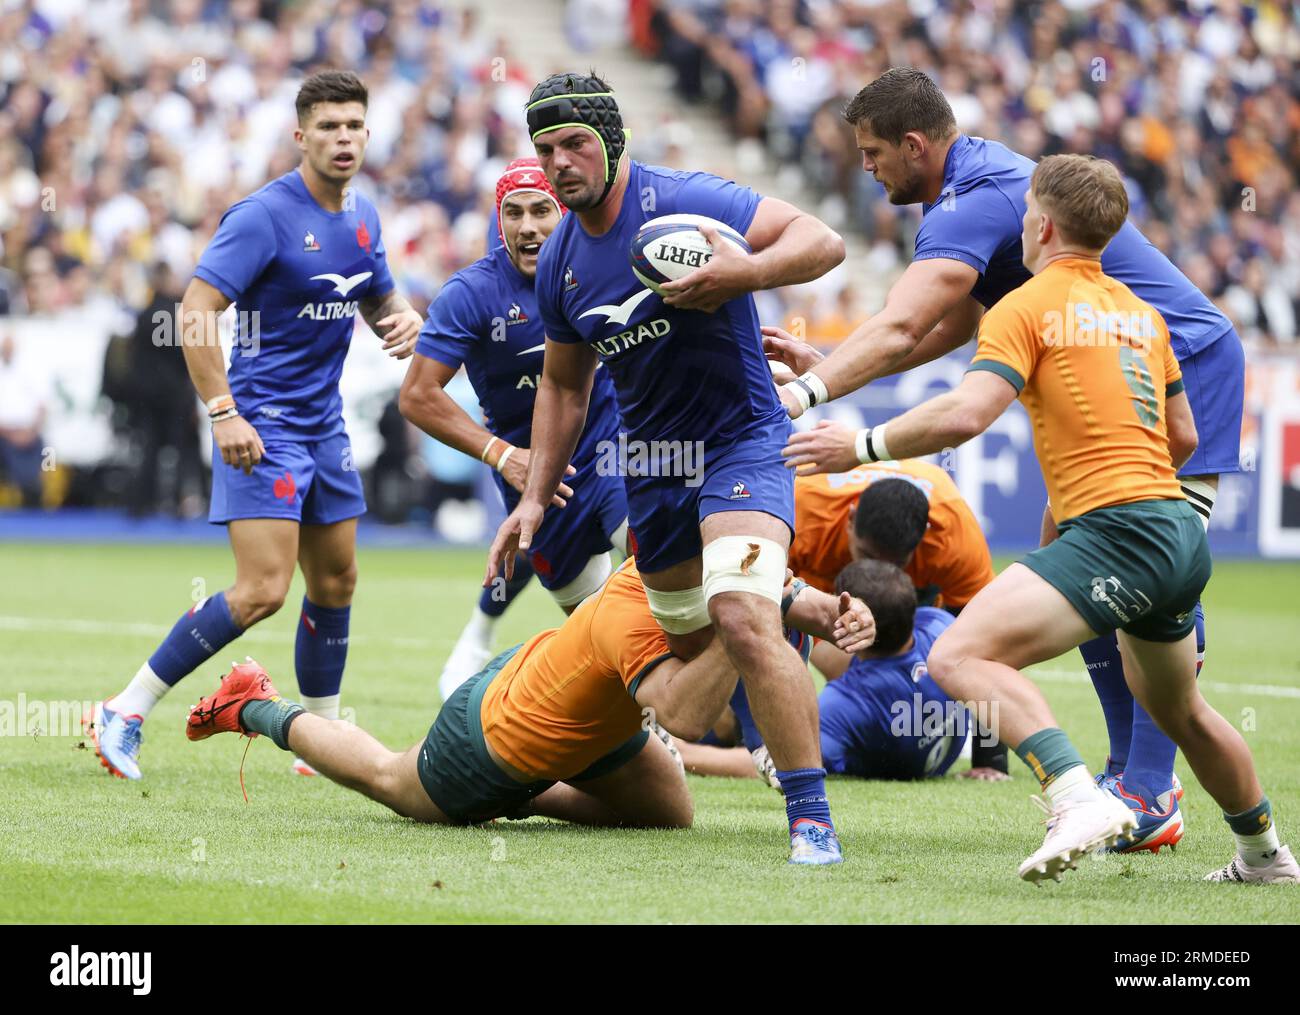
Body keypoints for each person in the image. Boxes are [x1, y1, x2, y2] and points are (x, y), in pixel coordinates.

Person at [789, 153, 1297, 885]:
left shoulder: (1022, 306)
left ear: (1042, 223)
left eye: (1026, 211)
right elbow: (1183, 437)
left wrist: (859, 442)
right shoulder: (1141, 313)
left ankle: (1074, 794)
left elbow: (966, 413)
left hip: (1118, 534)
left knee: (958, 657)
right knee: (1183, 710)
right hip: (1176, 532)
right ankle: (1265, 853)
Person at [487, 72, 852, 864]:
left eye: (575, 143)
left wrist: (740, 276)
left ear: (613, 142)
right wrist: (534, 498)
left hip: (740, 442)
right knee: (685, 696)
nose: (559, 163)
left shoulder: (686, 200)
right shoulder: (559, 266)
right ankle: (779, 598)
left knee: (743, 618)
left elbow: (824, 241)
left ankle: (811, 821)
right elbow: (562, 382)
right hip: (652, 472)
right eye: (545, 149)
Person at [85, 71, 424, 781]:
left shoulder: (363, 214)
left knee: (336, 581)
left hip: (325, 426)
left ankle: (325, 739)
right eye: (328, 127)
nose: (343, 139)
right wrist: (223, 410)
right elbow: (196, 311)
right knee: (263, 590)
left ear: (368, 134)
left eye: (354, 126)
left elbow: (376, 296)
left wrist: (405, 321)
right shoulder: (263, 215)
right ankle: (126, 705)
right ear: (300, 135)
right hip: (263, 424)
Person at [184, 558, 877, 830]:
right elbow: (685, 715)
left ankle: (528, 792)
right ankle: (254, 703)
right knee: (390, 777)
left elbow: (804, 606)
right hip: (495, 733)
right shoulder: (639, 608)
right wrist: (744, 626)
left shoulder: (722, 559)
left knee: (669, 814)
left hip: (586, 715)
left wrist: (848, 614)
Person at [399, 158, 629, 701]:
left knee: (668, 576)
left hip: (615, 454)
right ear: (498, 223)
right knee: (601, 645)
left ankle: (756, 738)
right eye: (514, 213)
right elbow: (416, 395)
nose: (528, 226)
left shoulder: (604, 266)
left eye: (542, 210)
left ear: (565, 210)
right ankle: (656, 731)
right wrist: (506, 456)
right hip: (535, 481)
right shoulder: (471, 294)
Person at [678, 559, 1007, 786]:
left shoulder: (848, 706)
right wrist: (991, 759)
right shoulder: (940, 627)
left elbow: (782, 757)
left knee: (729, 709)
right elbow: (991, 672)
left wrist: (682, 752)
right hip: (930, 752)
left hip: (714, 725)